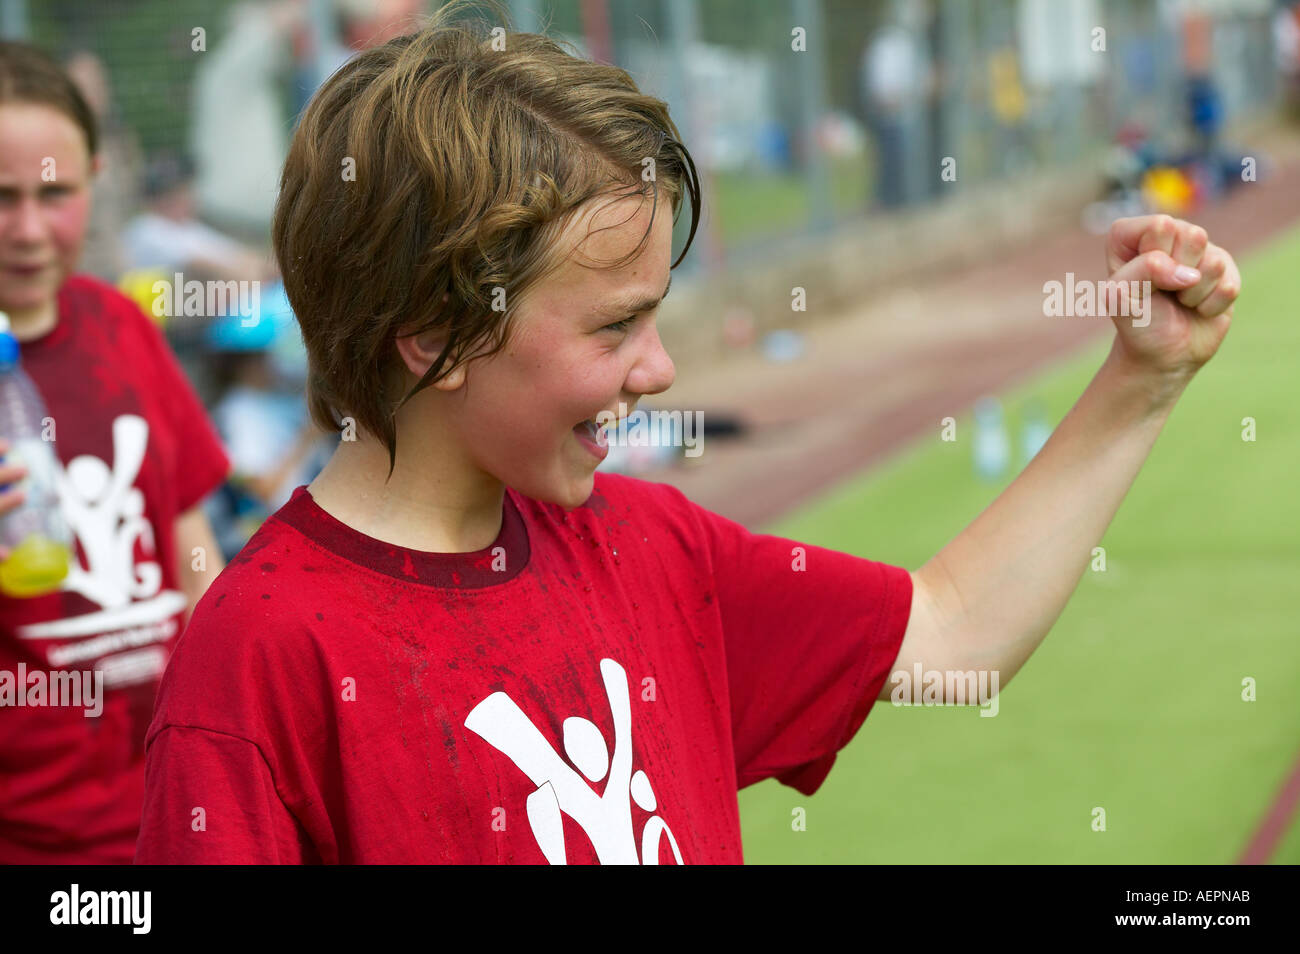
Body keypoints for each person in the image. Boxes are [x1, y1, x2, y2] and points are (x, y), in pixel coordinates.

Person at [135, 1, 1241, 865]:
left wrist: (1139, 381)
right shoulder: (259, 664)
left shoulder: (650, 548)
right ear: (432, 334)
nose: (659, 368)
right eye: (617, 323)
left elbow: (951, 634)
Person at [0, 40, 231, 863]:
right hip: (37, 840)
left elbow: (188, 530)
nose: (28, 229)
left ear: (95, 179)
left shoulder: (121, 326)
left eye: (54, 193)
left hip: (172, 809)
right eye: (1, 197)